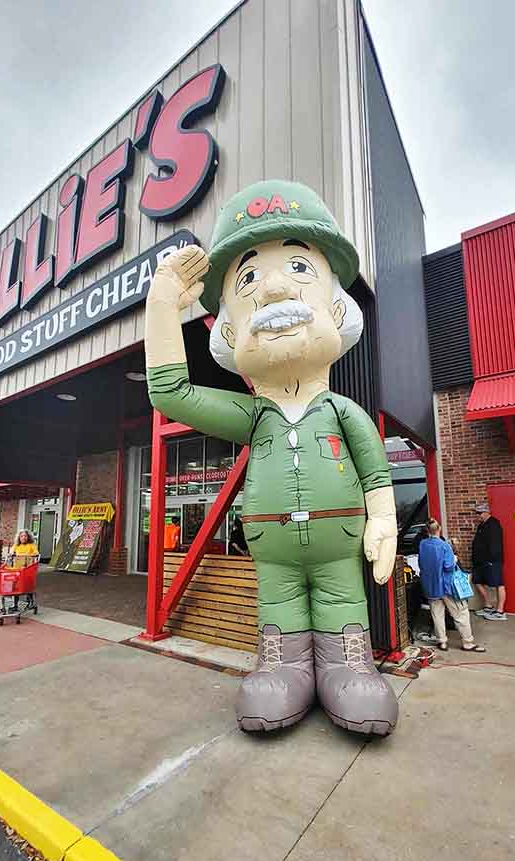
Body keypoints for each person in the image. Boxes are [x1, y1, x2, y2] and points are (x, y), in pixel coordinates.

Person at [146, 179, 398, 736]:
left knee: (342, 598)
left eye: (300, 268)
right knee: (279, 606)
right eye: (249, 279)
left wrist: (383, 517)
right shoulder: (252, 415)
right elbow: (170, 393)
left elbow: (374, 467)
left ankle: (350, 663)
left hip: (338, 542)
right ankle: (282, 665)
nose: (276, 288)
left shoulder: (341, 410)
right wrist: (162, 306)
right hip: (274, 551)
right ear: (229, 330)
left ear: (337, 307)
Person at [418, 518, 485, 653]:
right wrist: (454, 558)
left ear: (427, 530)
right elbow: (448, 567)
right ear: (439, 529)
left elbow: (421, 563)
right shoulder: (445, 546)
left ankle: (442, 641)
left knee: (437, 615)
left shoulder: (422, 544)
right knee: (461, 613)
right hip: (447, 587)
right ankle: (468, 642)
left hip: (431, 586)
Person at [472, 502, 507, 621]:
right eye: (477, 513)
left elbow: (495, 545)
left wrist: (492, 559)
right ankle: (488, 606)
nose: (478, 515)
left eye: (479, 513)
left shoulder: (494, 524)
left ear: (487, 512)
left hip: (492, 561)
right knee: (477, 581)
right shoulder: (482, 525)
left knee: (499, 584)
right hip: (480, 562)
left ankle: (500, 611)